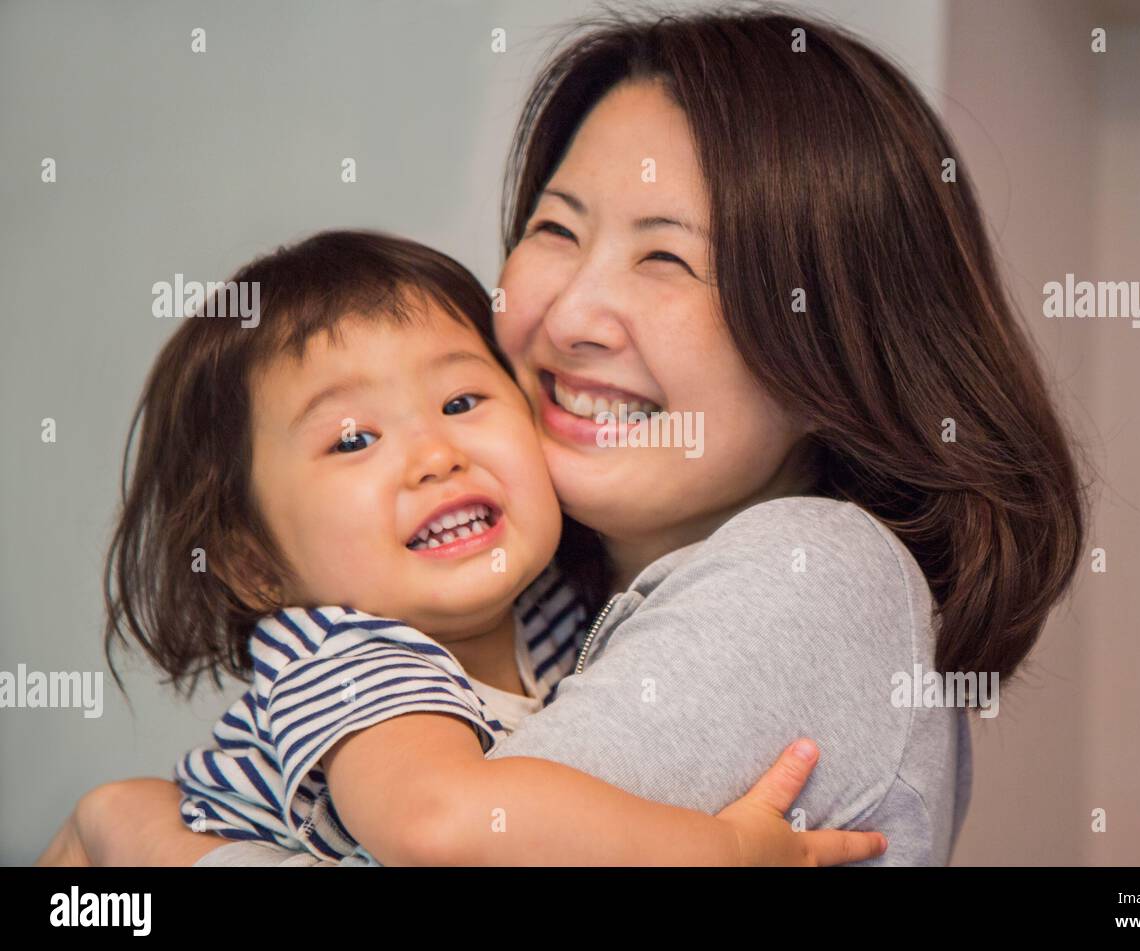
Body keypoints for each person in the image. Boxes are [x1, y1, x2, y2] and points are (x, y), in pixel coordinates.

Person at [42, 4, 1088, 867]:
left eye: (667, 259)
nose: (572, 311)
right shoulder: (516, 622)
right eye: (555, 229)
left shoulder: (810, 571)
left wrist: (139, 832)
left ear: (839, 347)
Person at [36, 230, 885, 867]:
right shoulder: (341, 650)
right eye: (354, 438)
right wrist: (723, 852)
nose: (435, 456)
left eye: (461, 401)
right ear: (256, 562)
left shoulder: (557, 610)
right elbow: (438, 824)